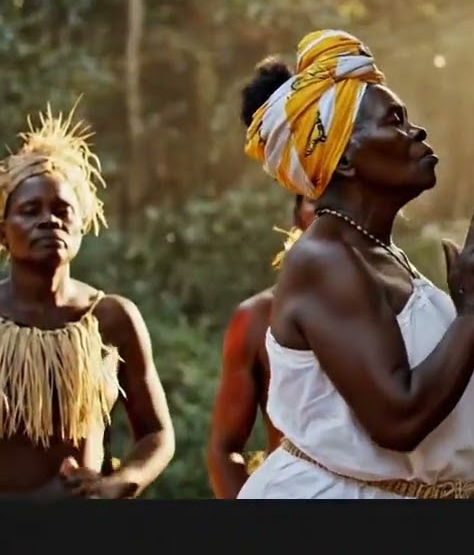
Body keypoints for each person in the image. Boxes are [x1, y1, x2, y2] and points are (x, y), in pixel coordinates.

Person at [236, 29, 474, 499]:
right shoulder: (325, 259)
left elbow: (464, 390)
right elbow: (399, 419)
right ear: (344, 159)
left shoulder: (382, 253)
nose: (416, 132)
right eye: (395, 121)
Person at [0, 105, 175, 500]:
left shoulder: (110, 318)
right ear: (3, 233)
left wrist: (118, 483)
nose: (50, 221)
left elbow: (157, 433)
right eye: (30, 211)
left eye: (62, 211)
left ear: (81, 225)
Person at [206, 194, 316, 499]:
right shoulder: (257, 318)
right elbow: (224, 449)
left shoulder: (402, 306)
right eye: (315, 200)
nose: (330, 210)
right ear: (298, 218)